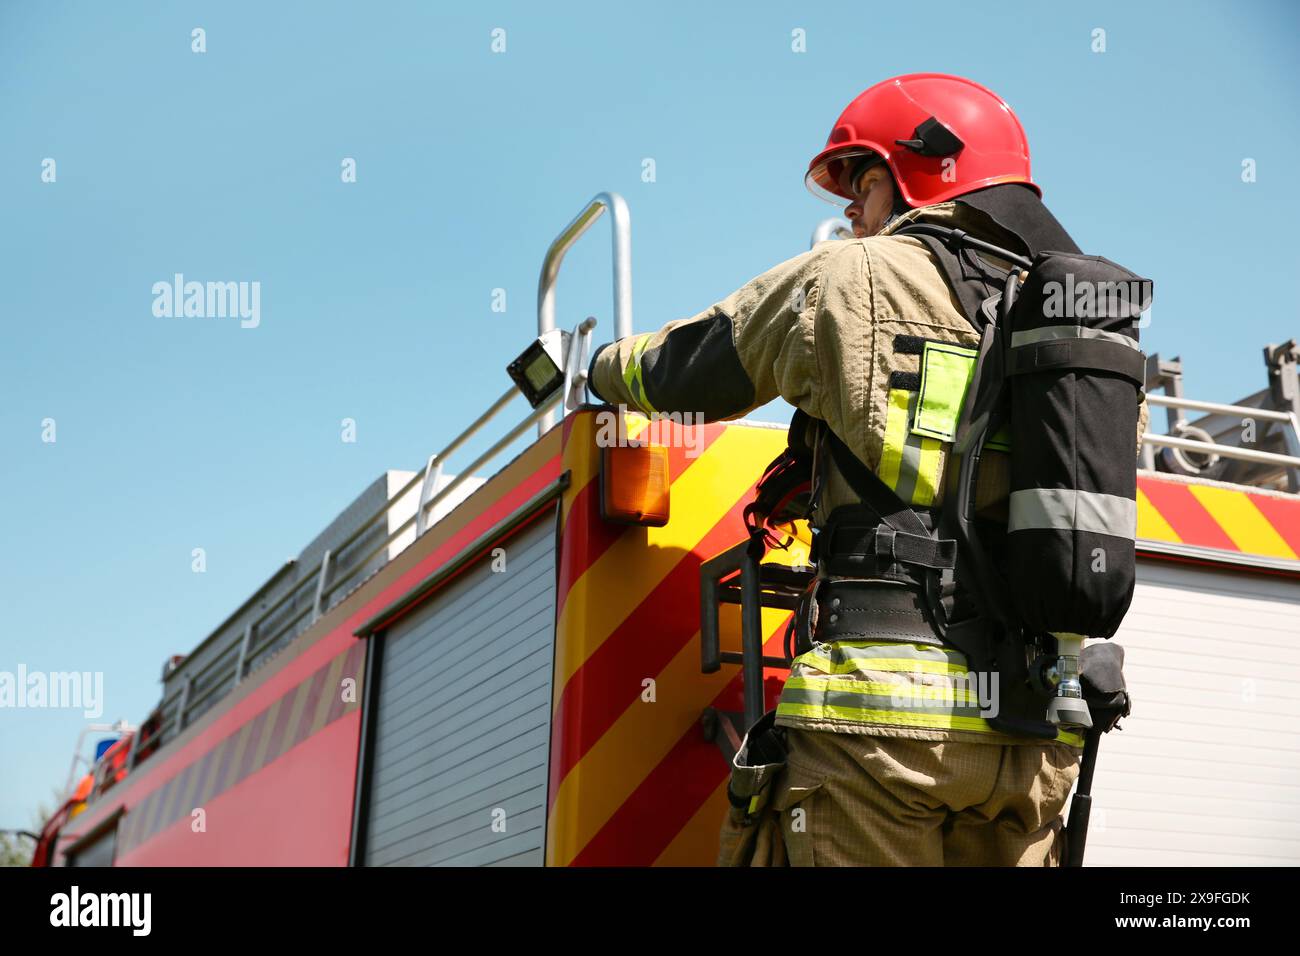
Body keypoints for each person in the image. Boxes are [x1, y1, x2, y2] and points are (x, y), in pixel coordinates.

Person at [587, 73, 1148, 866]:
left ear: (919, 171)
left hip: (881, 731)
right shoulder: (1090, 339)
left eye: (862, 178)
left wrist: (600, 368)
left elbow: (692, 370)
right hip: (1033, 739)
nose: (850, 207)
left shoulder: (855, 277)